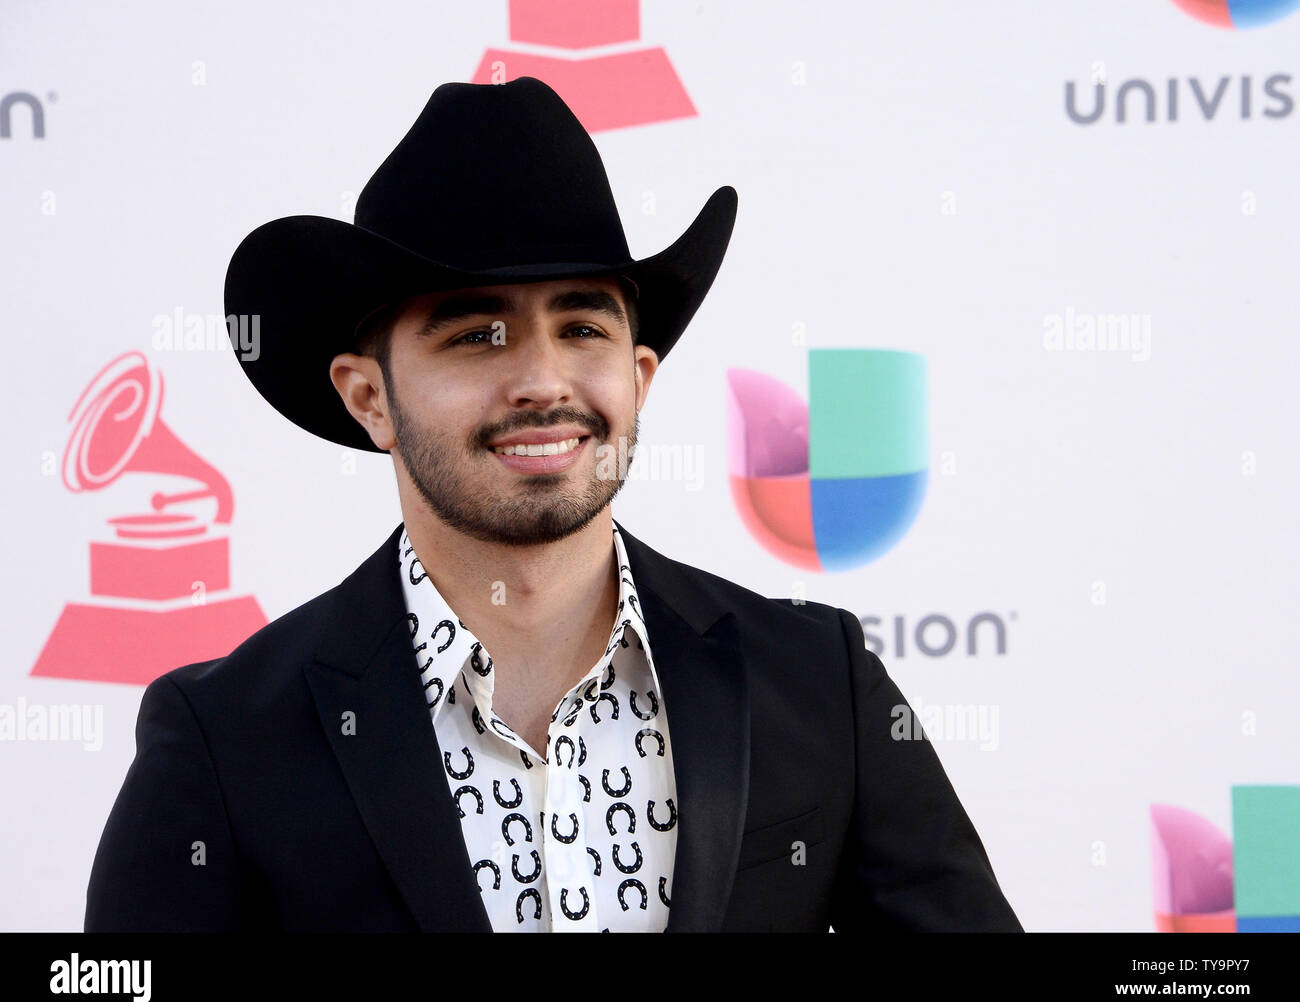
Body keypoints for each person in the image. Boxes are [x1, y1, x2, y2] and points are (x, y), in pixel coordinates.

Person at [84, 77, 1022, 933]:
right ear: (370, 397)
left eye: (581, 326)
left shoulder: (817, 682)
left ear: (639, 375)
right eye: (475, 335)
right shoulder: (228, 738)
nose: (542, 380)